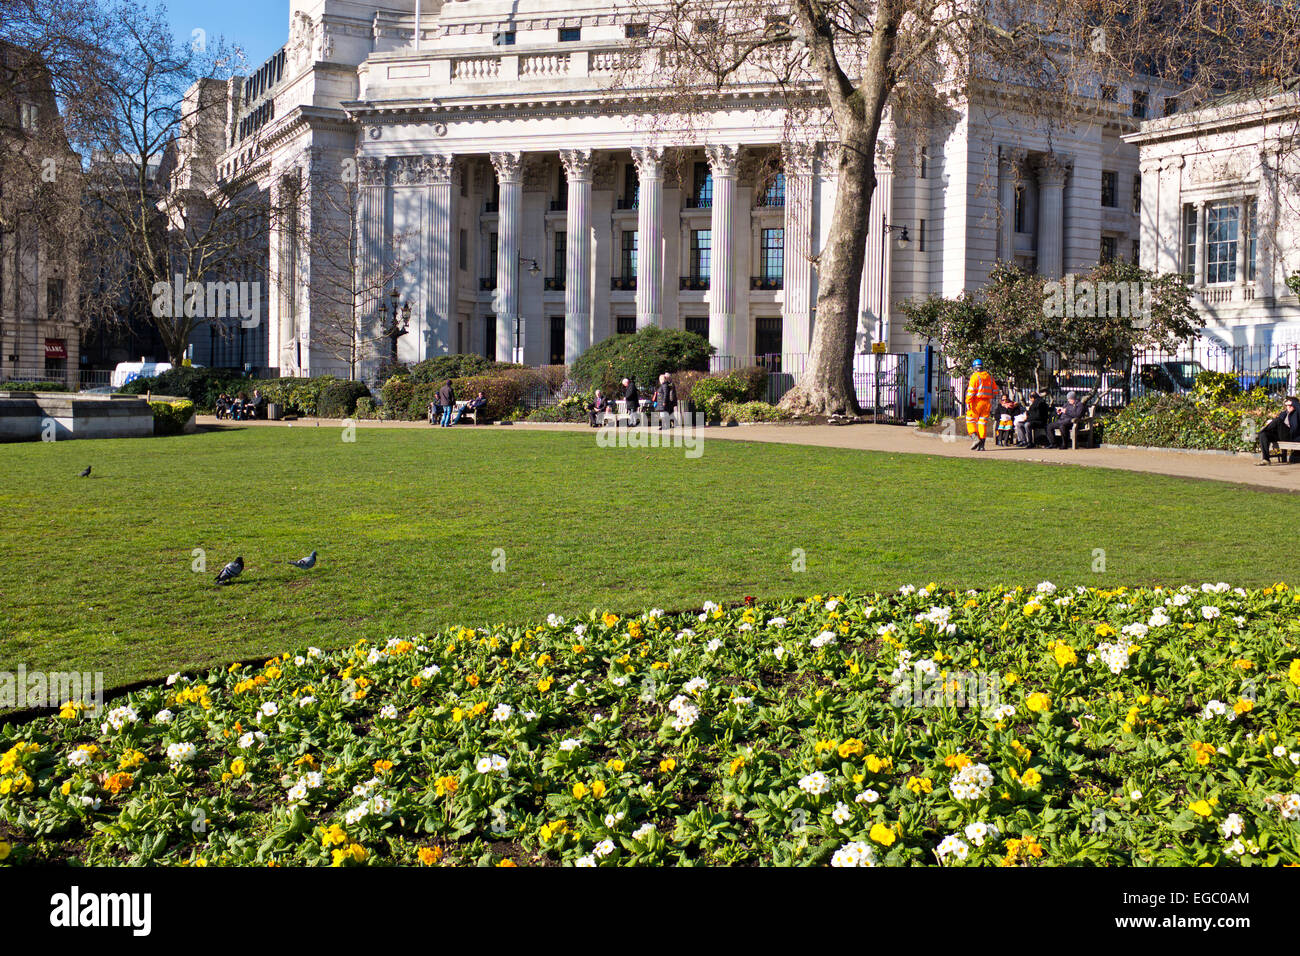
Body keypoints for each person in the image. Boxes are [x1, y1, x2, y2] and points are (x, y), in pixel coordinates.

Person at [965, 359, 998, 451]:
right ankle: (982, 445)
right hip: (987, 403)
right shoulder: (989, 377)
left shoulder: (975, 377)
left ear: (974, 368)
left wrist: (968, 402)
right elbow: (995, 391)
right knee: (982, 423)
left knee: (970, 421)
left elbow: (971, 392)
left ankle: (975, 439)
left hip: (976, 402)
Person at [1257, 395, 1300, 465]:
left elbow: (1278, 422)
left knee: (1277, 421)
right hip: (1281, 435)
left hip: (1291, 436)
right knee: (1263, 435)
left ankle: (1261, 431)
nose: (1288, 407)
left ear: (1295, 405)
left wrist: (1293, 402)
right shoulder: (1284, 413)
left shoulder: (1297, 413)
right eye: (1287, 406)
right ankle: (1266, 459)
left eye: (1290, 405)